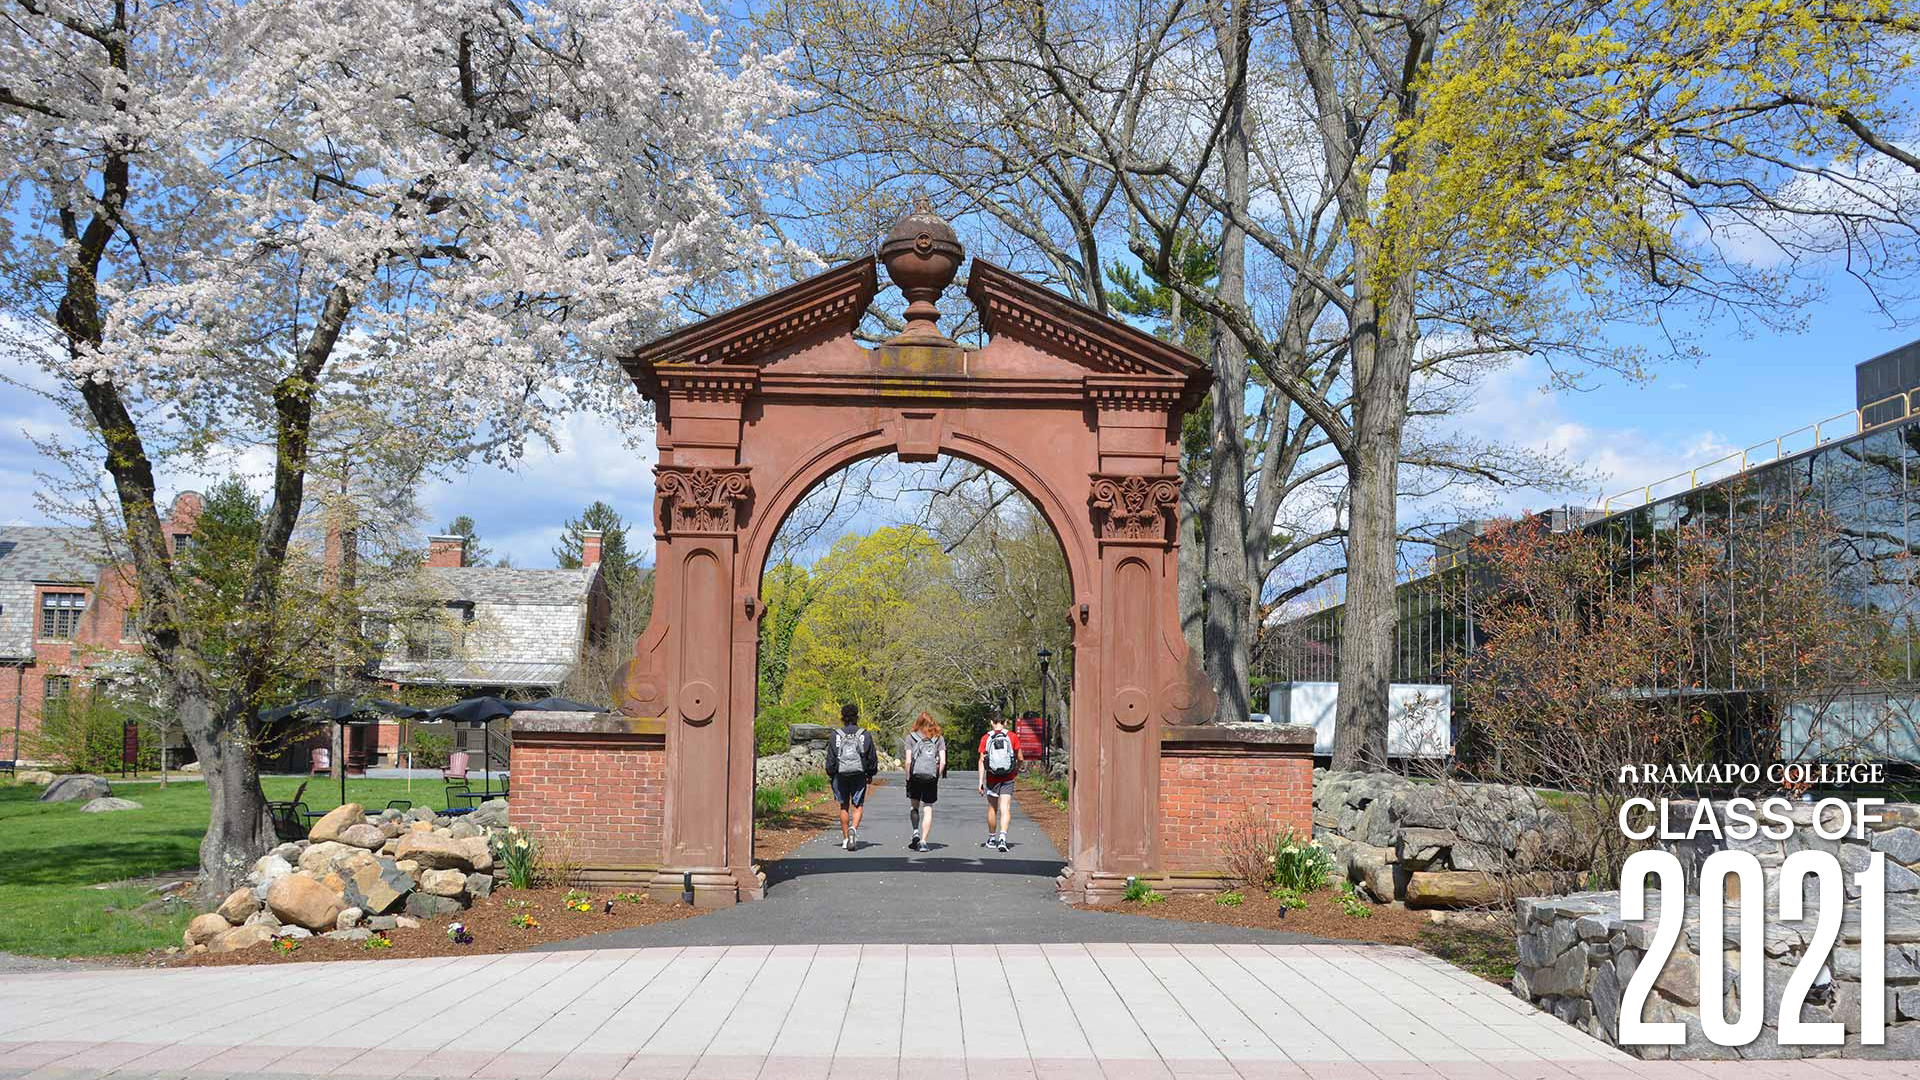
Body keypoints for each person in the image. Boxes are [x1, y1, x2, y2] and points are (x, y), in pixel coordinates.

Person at [825, 702, 877, 849]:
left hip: (840, 775)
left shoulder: (836, 735)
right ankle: (854, 827)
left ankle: (846, 839)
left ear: (842, 717)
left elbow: (830, 759)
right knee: (858, 805)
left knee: (844, 806)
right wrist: (870, 773)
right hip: (859, 774)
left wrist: (831, 774)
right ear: (856, 717)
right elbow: (871, 757)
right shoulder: (864, 734)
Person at [977, 709, 1021, 852]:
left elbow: (982, 760)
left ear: (991, 722)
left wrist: (980, 781)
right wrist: (1016, 769)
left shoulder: (986, 738)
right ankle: (1003, 837)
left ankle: (991, 838)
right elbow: (1020, 757)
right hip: (1008, 777)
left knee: (992, 808)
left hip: (992, 778)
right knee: (1005, 808)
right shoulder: (1012, 737)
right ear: (1005, 722)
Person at [904, 712, 946, 851]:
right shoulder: (938, 739)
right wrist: (936, 776)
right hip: (930, 777)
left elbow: (908, 761)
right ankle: (923, 841)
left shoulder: (911, 737)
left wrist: (908, 776)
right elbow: (943, 762)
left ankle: (915, 832)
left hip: (915, 776)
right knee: (928, 808)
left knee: (914, 806)